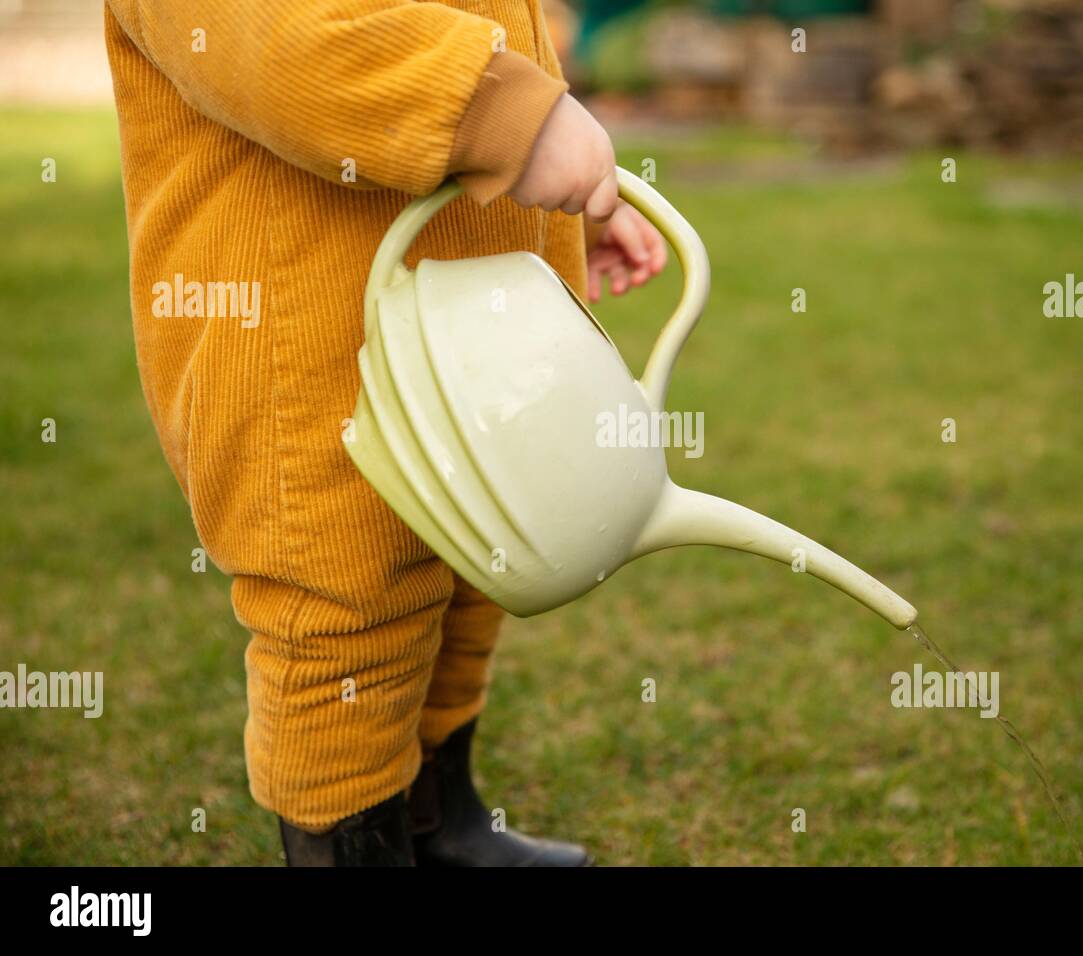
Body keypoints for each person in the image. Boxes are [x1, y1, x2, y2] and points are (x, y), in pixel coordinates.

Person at [104, 0, 668, 866]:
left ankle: (438, 817)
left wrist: (567, 202)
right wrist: (506, 115)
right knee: (348, 602)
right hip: (309, 341)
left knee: (476, 558)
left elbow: (496, 24)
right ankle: (351, 844)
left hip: (468, 320)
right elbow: (288, 37)